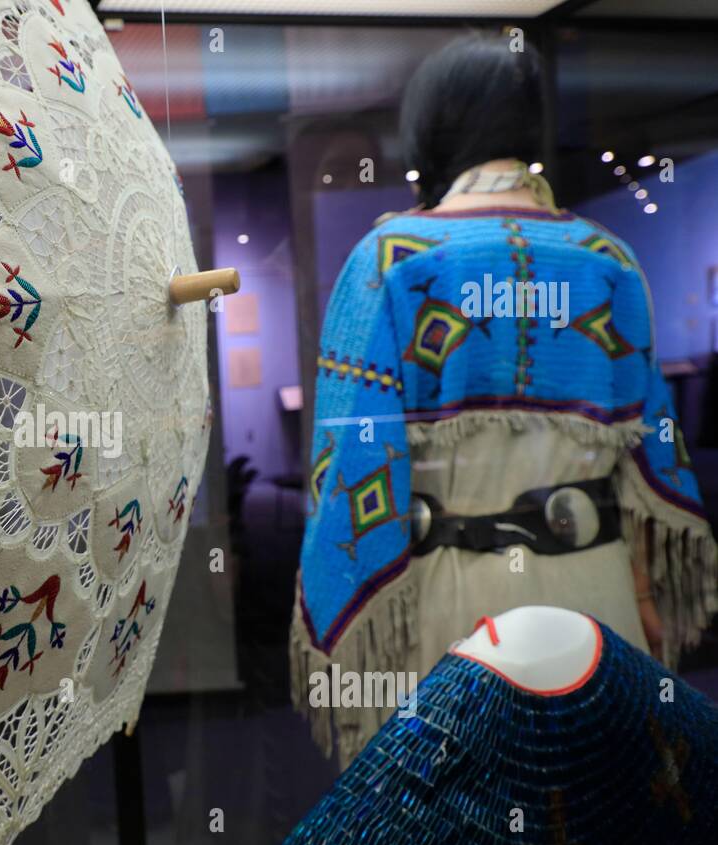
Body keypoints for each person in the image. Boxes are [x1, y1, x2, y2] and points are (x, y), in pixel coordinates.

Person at [291, 33, 718, 767]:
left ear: (432, 128)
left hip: (456, 615)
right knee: (598, 824)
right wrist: (646, 616)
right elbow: (653, 468)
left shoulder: (388, 263)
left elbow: (354, 475)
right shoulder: (608, 259)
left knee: (461, 828)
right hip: (598, 600)